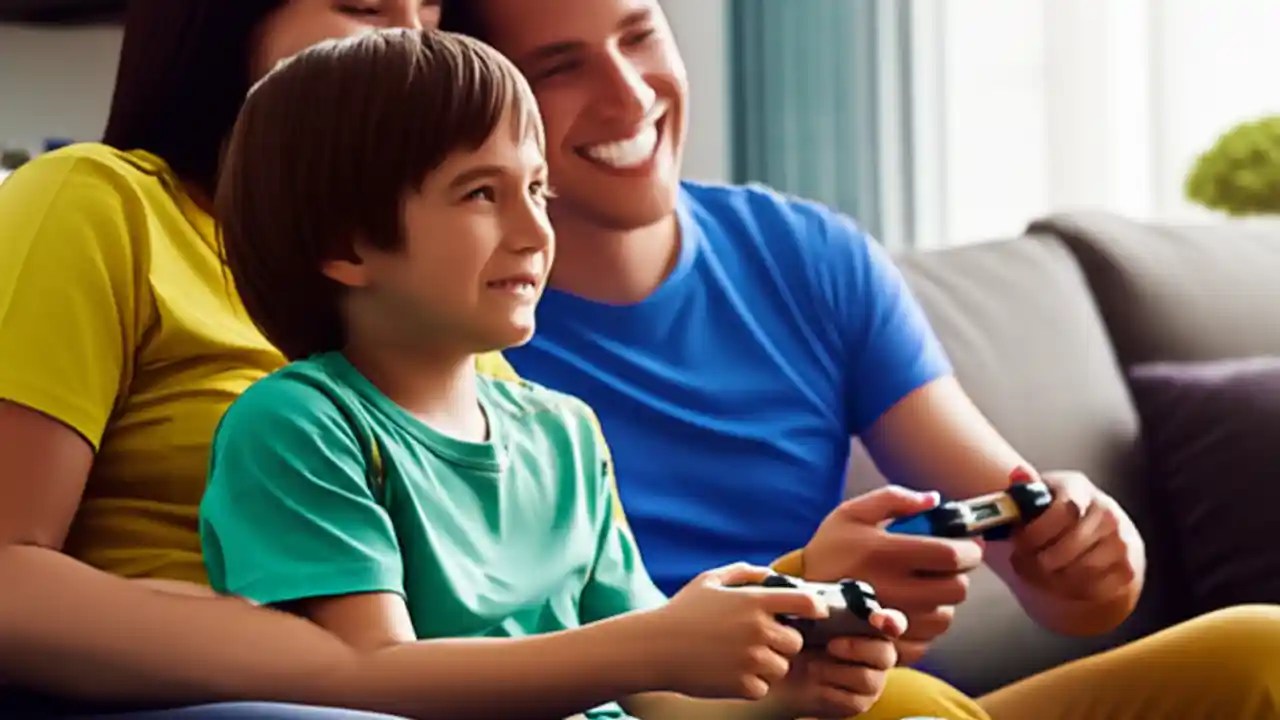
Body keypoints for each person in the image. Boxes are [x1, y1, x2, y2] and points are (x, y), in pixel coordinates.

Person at [438, 1, 1280, 718]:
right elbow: (504, 647)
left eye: (640, 36)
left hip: (876, 697)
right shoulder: (452, 329)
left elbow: (1056, 575)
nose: (628, 95)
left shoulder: (808, 256)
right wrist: (803, 596)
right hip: (685, 703)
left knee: (1258, 649)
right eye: (561, 68)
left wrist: (1087, 548)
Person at [202, 27, 910, 720]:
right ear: (345, 245)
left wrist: (784, 694)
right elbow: (372, 675)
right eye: (481, 193)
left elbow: (654, 697)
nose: (537, 231)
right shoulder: (300, 427)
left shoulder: (563, 431)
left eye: (537, 191)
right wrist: (653, 646)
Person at [0, 2, 552, 718]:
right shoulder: (101, 203)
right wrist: (342, 666)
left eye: (431, 13)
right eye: (364, 8)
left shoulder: (449, 311)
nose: (415, 43)